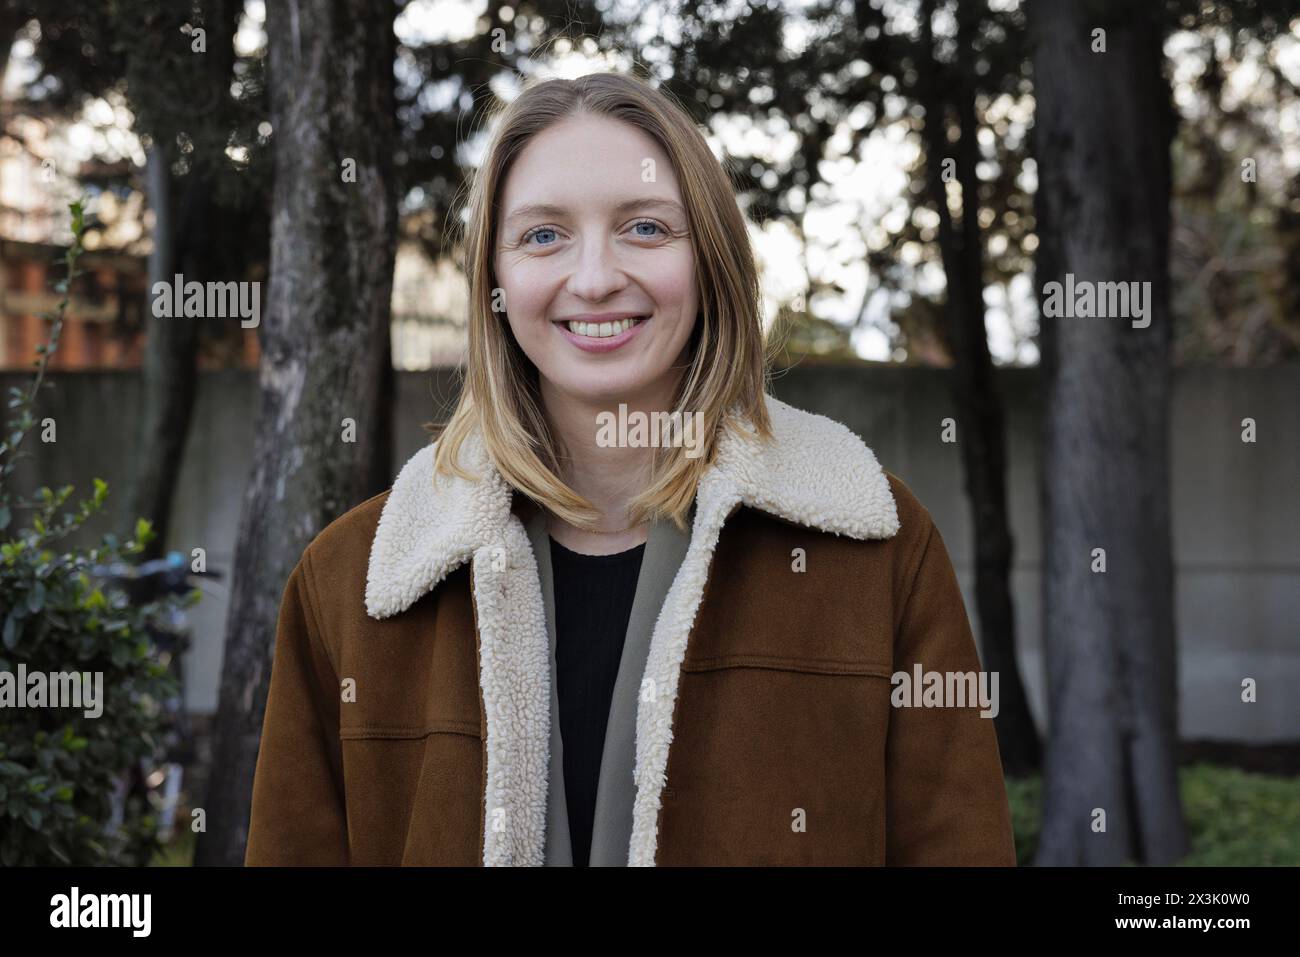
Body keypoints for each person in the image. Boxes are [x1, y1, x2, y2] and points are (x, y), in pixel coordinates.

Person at [244, 70, 1017, 867]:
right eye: (543, 235)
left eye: (645, 228)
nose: (595, 277)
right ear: (496, 283)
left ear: (710, 260)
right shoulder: (352, 580)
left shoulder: (874, 545)